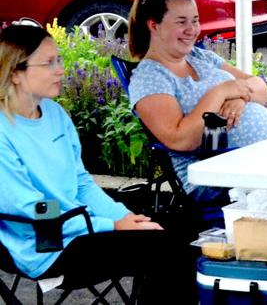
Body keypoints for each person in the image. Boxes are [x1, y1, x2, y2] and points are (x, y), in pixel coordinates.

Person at [0, 23, 196, 304]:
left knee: (184, 230)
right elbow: (33, 208)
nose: (60, 70)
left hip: (80, 227)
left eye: (59, 60)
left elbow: (81, 183)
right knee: (164, 250)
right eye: (48, 63)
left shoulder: (55, 114)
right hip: (46, 246)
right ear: (16, 73)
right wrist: (111, 225)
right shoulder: (3, 132)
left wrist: (125, 217)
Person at [128, 0, 267, 205]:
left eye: (195, 20)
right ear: (154, 25)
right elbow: (181, 139)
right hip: (218, 180)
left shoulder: (200, 57)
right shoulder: (149, 78)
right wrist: (221, 92)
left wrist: (239, 98)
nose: (192, 30)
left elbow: (259, 86)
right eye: (181, 22)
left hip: (261, 166)